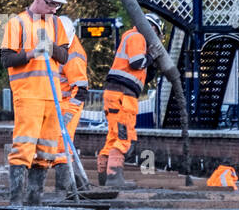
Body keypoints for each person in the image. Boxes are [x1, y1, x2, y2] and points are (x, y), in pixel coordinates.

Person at [1, 0, 71, 206]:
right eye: (50, 4)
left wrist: (50, 48)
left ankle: (34, 198)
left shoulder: (56, 23)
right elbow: (7, 59)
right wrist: (32, 53)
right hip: (28, 94)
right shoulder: (17, 23)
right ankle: (16, 199)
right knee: (24, 146)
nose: (53, 9)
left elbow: (64, 55)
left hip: (52, 97)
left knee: (47, 149)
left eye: (57, 5)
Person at [97, 12, 163, 188]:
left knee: (113, 137)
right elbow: (136, 63)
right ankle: (114, 178)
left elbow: (140, 73)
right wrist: (151, 57)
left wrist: (151, 63)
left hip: (115, 94)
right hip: (123, 97)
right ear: (153, 28)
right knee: (124, 138)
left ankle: (104, 176)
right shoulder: (137, 36)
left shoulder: (131, 37)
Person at [53, 15, 89, 195]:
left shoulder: (74, 55)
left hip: (69, 105)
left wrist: (68, 114)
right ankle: (81, 185)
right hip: (58, 103)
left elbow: (81, 90)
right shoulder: (55, 40)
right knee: (60, 144)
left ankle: (64, 188)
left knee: (61, 145)